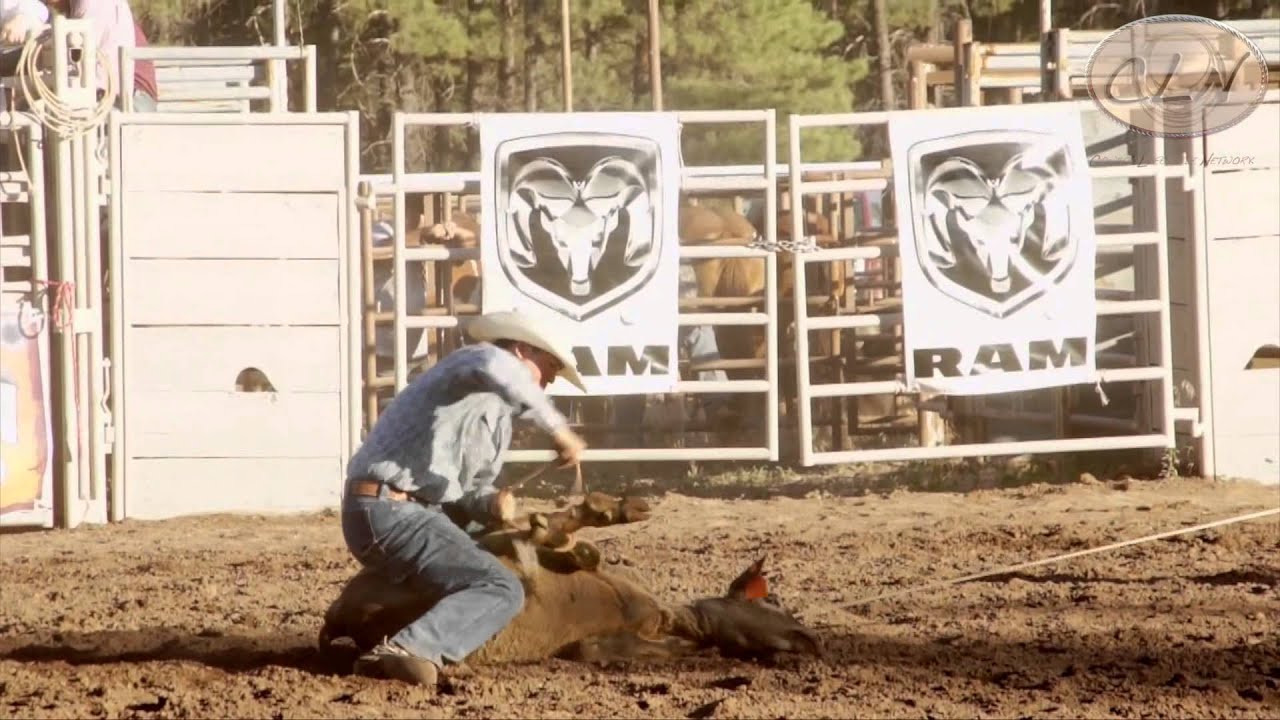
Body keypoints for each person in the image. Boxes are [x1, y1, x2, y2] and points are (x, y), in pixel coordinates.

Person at [341, 309, 589, 686]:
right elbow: (498, 365)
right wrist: (558, 429)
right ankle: (411, 648)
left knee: (485, 551)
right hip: (390, 509)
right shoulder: (477, 359)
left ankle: (372, 622)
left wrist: (489, 503)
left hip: (396, 509)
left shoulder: (495, 418)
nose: (551, 380)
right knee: (501, 587)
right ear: (521, 351)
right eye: (550, 366)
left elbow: (469, 491)